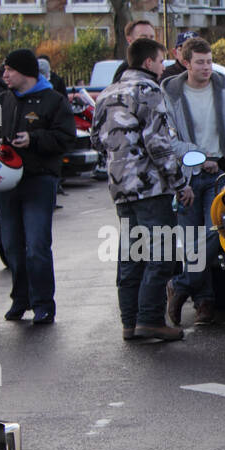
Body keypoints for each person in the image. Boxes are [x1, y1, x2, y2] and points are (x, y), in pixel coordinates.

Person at [92, 37, 190, 343]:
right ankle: (150, 319)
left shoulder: (107, 93)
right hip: (150, 187)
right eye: (161, 61)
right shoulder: (148, 90)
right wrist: (179, 183)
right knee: (161, 253)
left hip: (121, 187)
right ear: (148, 62)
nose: (163, 67)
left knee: (131, 254)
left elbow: (96, 139)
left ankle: (129, 322)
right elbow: (158, 143)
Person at [0, 49, 74, 324]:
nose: (3, 74)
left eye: (9, 70)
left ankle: (43, 304)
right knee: (12, 246)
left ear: (26, 73)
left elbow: (65, 137)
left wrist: (34, 139)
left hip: (39, 179)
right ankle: (21, 299)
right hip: (6, 184)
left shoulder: (53, 101)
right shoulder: (1, 101)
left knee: (37, 245)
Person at [160, 36, 225, 326]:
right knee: (192, 242)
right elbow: (167, 140)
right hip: (186, 174)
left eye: (210, 61)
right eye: (200, 62)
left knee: (214, 235)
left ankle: (181, 285)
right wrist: (197, 155)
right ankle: (204, 301)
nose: (207, 67)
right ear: (186, 63)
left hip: (220, 172)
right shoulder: (170, 93)